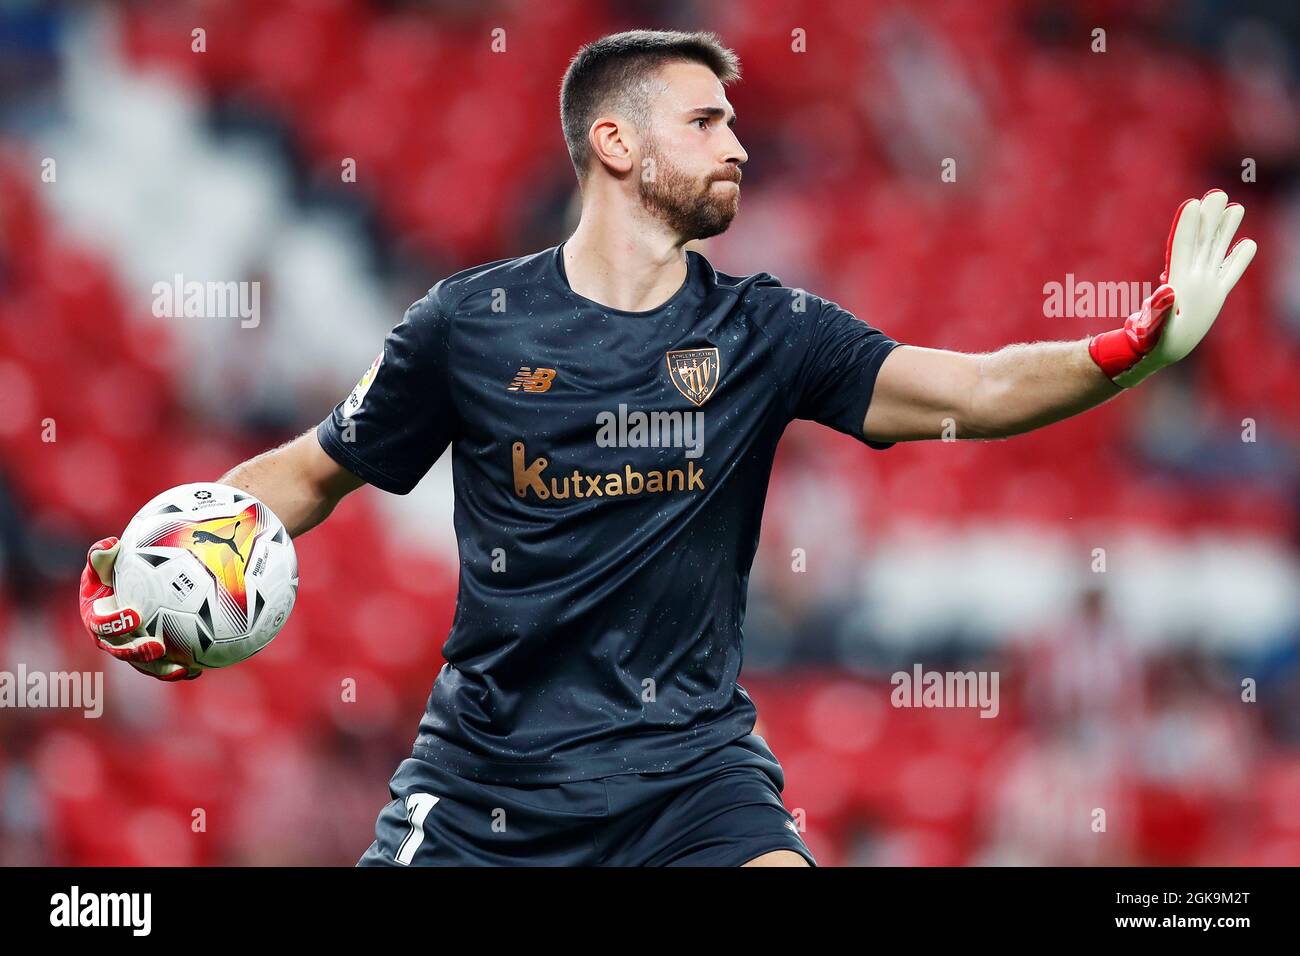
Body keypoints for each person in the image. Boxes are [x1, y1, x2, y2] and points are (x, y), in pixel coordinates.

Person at [79, 30, 1256, 866]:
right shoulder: (467, 324)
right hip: (492, 784)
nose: (738, 143)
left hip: (689, 777)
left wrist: (1129, 351)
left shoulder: (771, 328)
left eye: (735, 120)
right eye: (706, 121)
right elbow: (310, 469)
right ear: (617, 144)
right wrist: (168, 555)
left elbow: (977, 389)